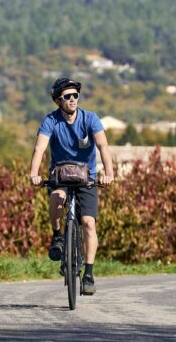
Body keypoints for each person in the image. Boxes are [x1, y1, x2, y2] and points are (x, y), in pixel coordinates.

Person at [29, 77, 114, 295]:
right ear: (58, 101)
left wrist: (109, 173)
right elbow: (39, 149)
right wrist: (34, 173)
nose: (73, 99)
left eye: (75, 95)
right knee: (56, 199)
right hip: (61, 175)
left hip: (87, 178)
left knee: (88, 223)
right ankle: (58, 235)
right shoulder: (51, 121)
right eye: (67, 97)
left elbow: (103, 146)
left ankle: (89, 273)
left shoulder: (90, 119)